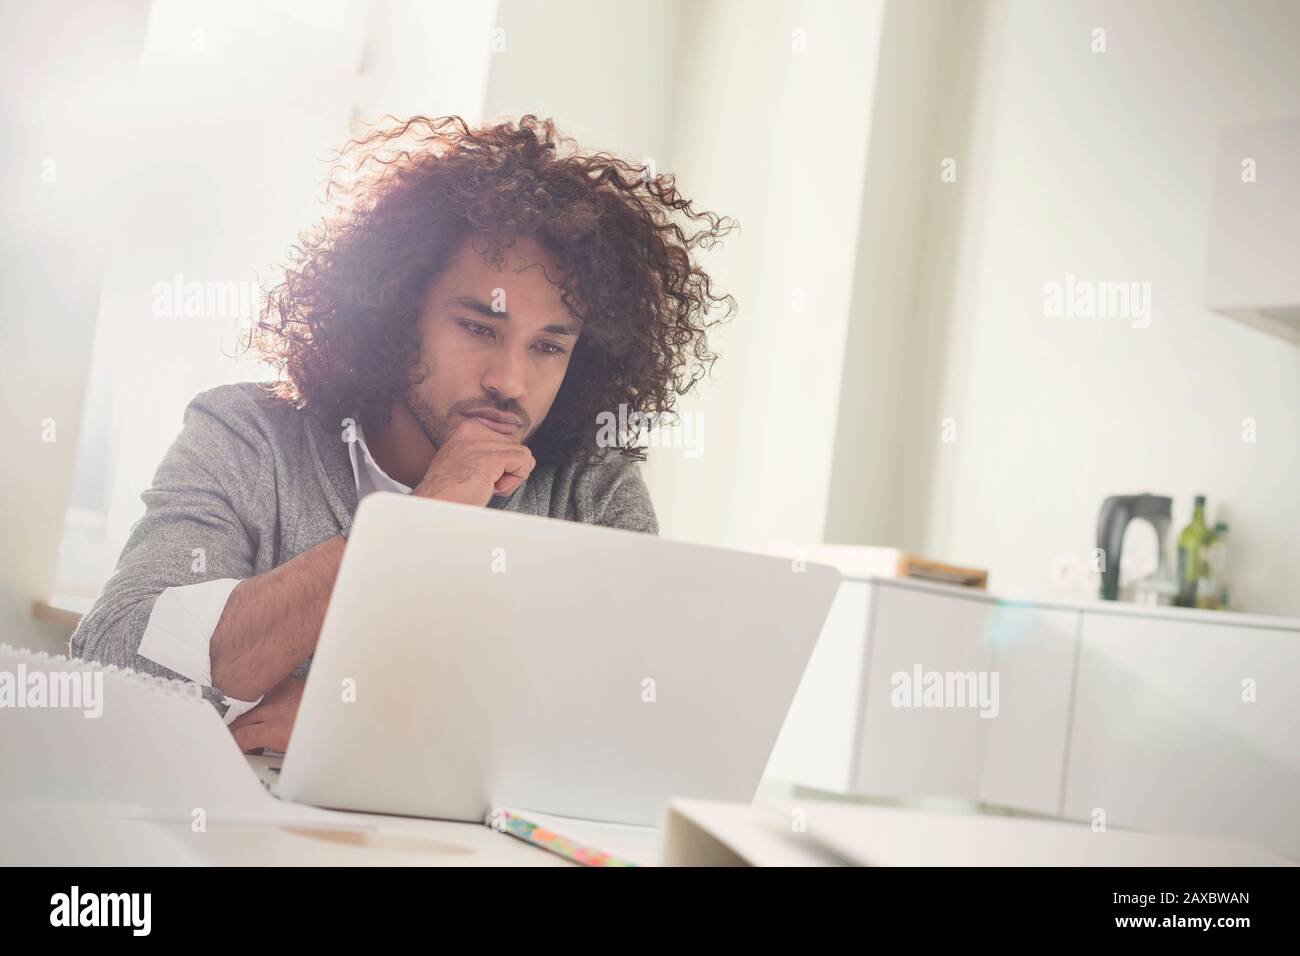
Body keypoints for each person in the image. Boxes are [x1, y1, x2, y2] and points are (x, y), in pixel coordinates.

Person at [70, 115, 734, 753]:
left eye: (548, 348)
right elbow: (115, 663)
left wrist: (360, 714)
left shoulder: (592, 493)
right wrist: (411, 525)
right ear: (393, 311)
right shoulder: (245, 435)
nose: (510, 380)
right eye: (479, 328)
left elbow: (628, 726)